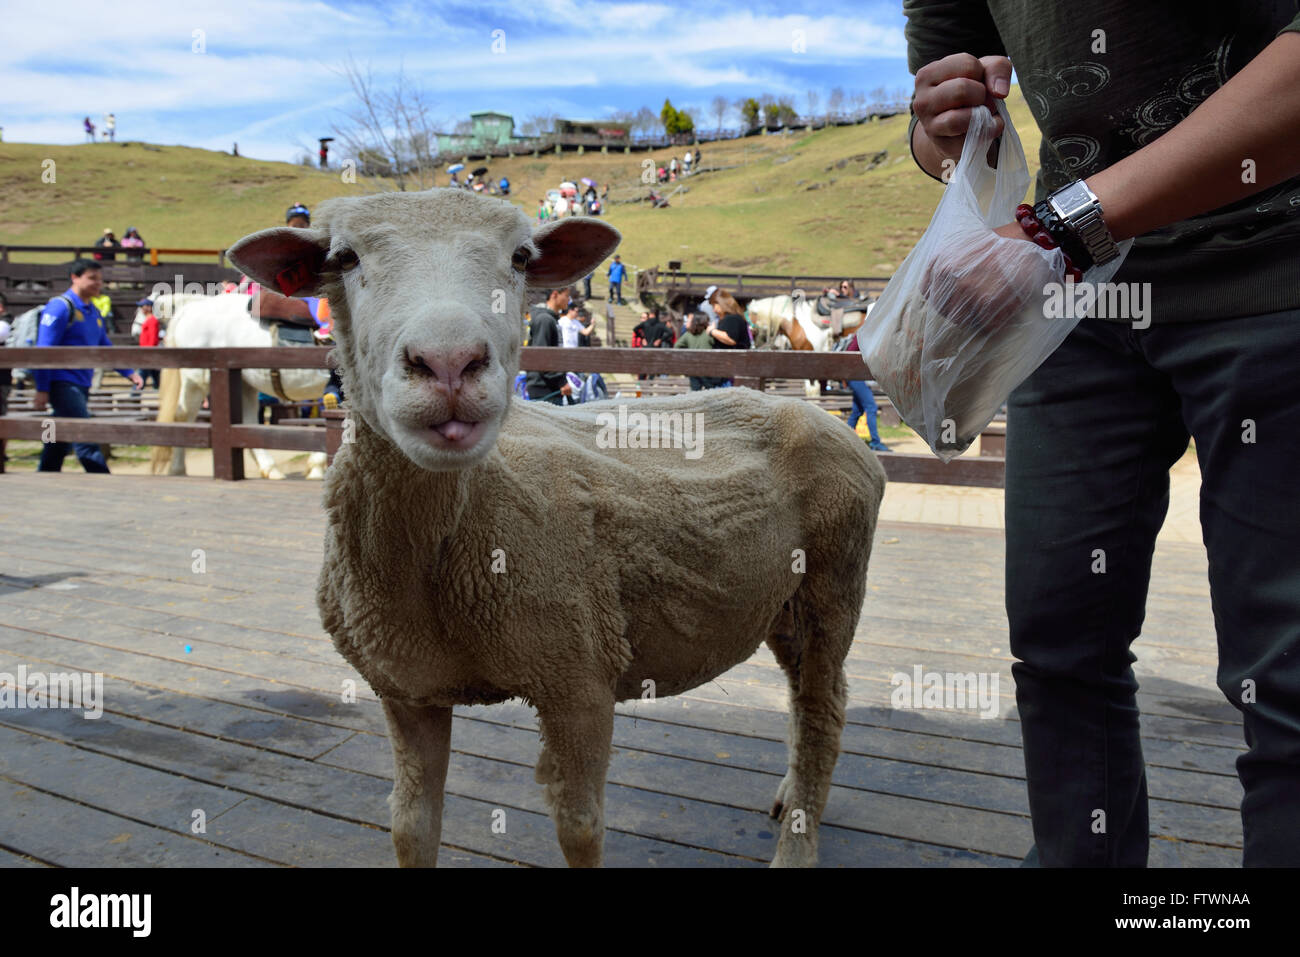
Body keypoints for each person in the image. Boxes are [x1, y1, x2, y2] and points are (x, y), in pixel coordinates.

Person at [905, 0, 1300, 867]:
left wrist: (1064, 225)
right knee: (1057, 649)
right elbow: (939, 120)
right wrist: (943, 125)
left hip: (1273, 273)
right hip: (1075, 299)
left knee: (1287, 680)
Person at [32, 260, 143, 472]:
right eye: (92, 278)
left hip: (82, 383)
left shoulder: (94, 312)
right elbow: (43, 350)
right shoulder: (60, 307)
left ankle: (45, 473)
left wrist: (128, 373)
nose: (98, 284)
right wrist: (42, 389)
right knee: (84, 434)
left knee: (58, 434)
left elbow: (105, 348)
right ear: (75, 277)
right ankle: (101, 476)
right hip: (63, 383)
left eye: (100, 279)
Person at [525, 287, 573, 404]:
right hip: (543, 387)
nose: (569, 300)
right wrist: (561, 382)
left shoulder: (551, 319)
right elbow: (541, 356)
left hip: (551, 386)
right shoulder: (544, 320)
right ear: (555, 295)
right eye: (567, 296)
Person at [674, 310, 722, 390]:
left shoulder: (688, 334)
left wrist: (688, 354)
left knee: (695, 391)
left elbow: (677, 346)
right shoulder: (708, 334)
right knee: (710, 390)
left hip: (693, 367)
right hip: (708, 367)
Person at [136, 298, 161, 389]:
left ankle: (134, 395)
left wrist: (149, 352)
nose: (141, 309)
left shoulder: (152, 320)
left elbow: (153, 338)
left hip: (148, 353)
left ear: (149, 307)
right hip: (147, 352)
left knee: (141, 375)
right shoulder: (149, 319)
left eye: (142, 306)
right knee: (156, 376)